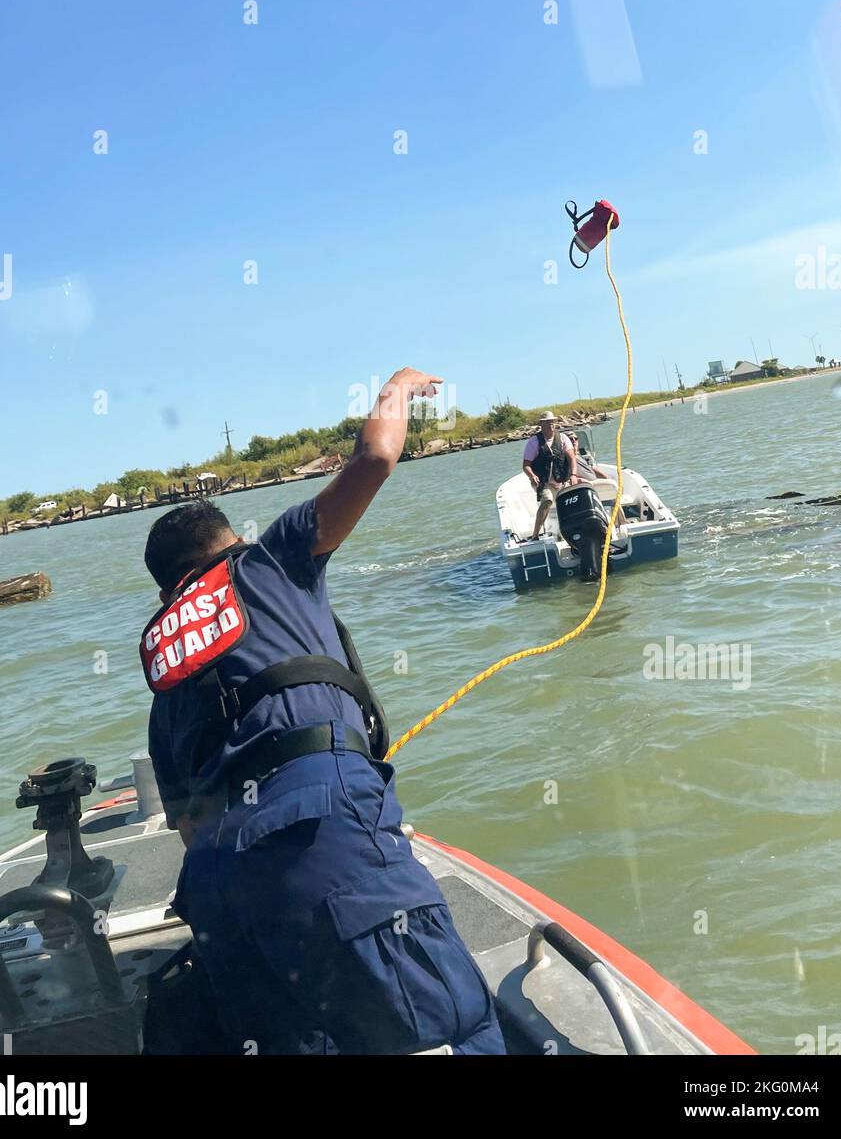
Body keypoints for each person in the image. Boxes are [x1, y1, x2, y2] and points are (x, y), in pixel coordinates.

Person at [141, 367, 505, 1056]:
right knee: (450, 1026)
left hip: (217, 889)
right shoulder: (265, 563)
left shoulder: (167, 671)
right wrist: (395, 387)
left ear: (168, 588)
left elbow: (189, 826)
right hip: (316, 823)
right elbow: (375, 459)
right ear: (225, 545)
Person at [522, 412, 576, 540]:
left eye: (552, 421)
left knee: (567, 503)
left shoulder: (563, 438)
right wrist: (532, 476)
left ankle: (564, 534)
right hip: (542, 481)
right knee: (547, 500)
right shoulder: (534, 442)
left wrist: (573, 474)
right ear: (541, 424)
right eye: (547, 422)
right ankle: (535, 535)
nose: (551, 424)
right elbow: (526, 465)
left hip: (560, 480)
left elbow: (572, 457)